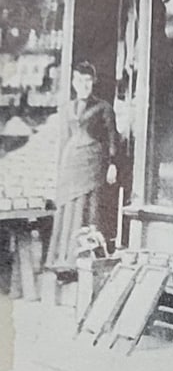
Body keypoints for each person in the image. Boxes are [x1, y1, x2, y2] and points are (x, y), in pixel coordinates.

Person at [46, 62, 119, 272]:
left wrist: (112, 164)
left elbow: (112, 138)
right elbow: (64, 138)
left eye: (88, 80)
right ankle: (63, 259)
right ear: (73, 82)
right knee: (68, 206)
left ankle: (82, 261)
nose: (84, 85)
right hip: (71, 163)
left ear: (94, 81)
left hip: (92, 163)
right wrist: (58, 167)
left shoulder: (104, 108)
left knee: (89, 208)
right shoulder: (67, 108)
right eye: (80, 80)